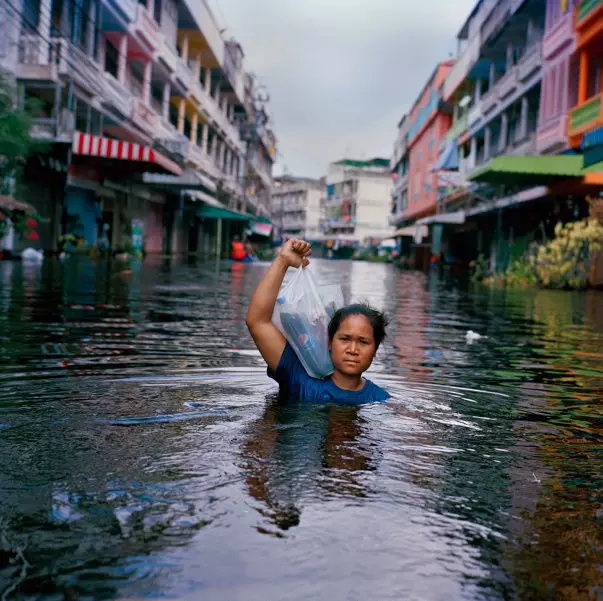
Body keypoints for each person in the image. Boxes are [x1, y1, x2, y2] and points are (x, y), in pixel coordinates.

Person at [246, 238, 389, 403]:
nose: (352, 349)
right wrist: (283, 261)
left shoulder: (379, 399)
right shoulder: (299, 377)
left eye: (363, 342)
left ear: (375, 350)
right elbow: (257, 322)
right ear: (329, 342)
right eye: (344, 339)